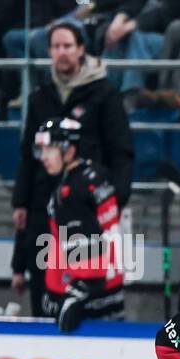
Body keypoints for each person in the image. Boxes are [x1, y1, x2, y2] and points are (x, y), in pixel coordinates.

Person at [12, 21, 133, 317]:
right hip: (44, 204)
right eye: (55, 47)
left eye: (68, 46)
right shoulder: (40, 97)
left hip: (86, 202)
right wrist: (20, 200)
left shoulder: (104, 93)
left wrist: (115, 197)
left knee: (90, 283)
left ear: (81, 50)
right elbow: (28, 154)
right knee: (47, 287)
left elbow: (122, 152)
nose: (61, 52)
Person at [36, 118, 125, 331]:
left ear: (69, 150)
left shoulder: (70, 192)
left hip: (88, 301)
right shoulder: (97, 175)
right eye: (41, 149)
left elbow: (90, 258)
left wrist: (72, 296)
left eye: (50, 149)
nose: (43, 157)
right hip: (113, 291)